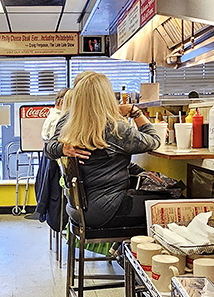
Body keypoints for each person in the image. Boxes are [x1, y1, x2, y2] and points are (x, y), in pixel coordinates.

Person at [46, 71, 161, 229]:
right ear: (106, 96)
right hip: (106, 210)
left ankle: (124, 245)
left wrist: (62, 148)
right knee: (170, 203)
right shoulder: (114, 129)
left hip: (76, 209)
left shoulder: (68, 120)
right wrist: (135, 112)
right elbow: (155, 140)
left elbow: (48, 148)